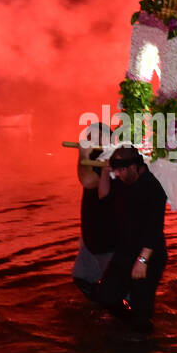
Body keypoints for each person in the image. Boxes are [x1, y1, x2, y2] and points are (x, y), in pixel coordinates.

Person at [96, 145, 167, 333]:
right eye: (116, 171)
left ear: (134, 167)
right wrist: (105, 173)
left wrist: (142, 261)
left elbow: (154, 230)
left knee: (141, 307)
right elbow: (103, 197)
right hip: (125, 251)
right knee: (106, 296)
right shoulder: (124, 180)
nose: (117, 175)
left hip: (148, 256)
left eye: (120, 171)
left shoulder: (152, 189)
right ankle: (130, 326)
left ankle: (143, 338)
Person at [73, 124, 117, 299]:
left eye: (97, 138)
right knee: (82, 278)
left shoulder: (107, 160)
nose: (91, 141)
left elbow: (88, 180)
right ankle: (100, 305)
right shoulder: (95, 159)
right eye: (89, 137)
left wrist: (82, 154)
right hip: (92, 237)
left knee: (119, 290)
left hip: (107, 237)